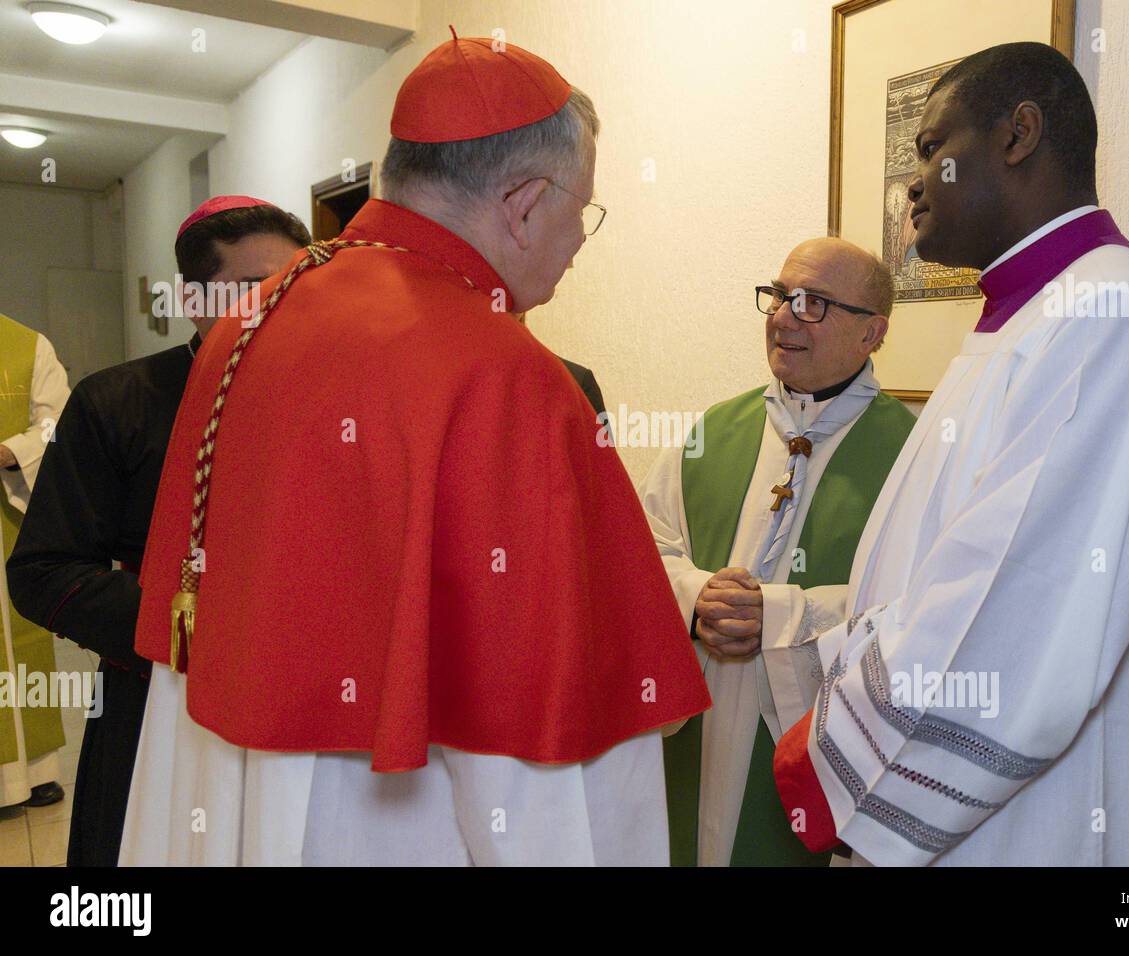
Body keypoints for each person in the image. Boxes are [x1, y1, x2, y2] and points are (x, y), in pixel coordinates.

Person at [118, 32, 709, 866]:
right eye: (584, 210)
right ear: (526, 202)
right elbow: (544, 740)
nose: (581, 237)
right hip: (396, 818)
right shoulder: (505, 370)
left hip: (238, 781)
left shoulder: (250, 319)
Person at [774, 42, 1129, 866]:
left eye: (933, 149)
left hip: (1033, 825)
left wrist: (842, 754)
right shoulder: (1030, 318)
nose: (913, 183)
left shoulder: (1115, 318)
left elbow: (1019, 603)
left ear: (1019, 135)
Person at [7, 197, 309, 865]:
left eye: (296, 282)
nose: (281, 303)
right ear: (193, 299)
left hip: (298, 703)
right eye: (253, 288)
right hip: (156, 696)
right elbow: (43, 571)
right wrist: (197, 632)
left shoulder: (337, 396)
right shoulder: (117, 400)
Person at [641, 238, 914, 866]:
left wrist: (782, 617)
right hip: (696, 727)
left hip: (816, 744)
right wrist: (695, 598)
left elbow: (920, 607)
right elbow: (644, 551)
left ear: (871, 333)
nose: (784, 316)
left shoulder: (913, 454)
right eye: (779, 295)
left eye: (813, 302)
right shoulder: (712, 432)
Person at [0, 312, 69, 809]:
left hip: (8, 517)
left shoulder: (26, 344)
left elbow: (56, 423)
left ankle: (34, 770)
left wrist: (10, 450)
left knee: (21, 639)